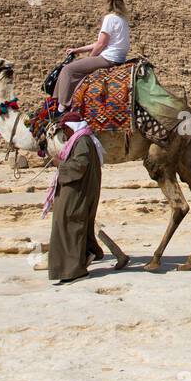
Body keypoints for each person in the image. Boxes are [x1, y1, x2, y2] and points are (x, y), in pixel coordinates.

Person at [43, 113, 120, 284]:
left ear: (72, 127)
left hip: (77, 194)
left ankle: (74, 271)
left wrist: (59, 164)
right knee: (66, 226)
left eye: (65, 129)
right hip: (74, 192)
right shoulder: (79, 140)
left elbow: (79, 166)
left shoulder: (82, 141)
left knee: (69, 227)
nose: (64, 133)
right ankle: (76, 262)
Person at [53, 0, 132, 111]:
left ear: (108, 3)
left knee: (68, 70)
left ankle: (62, 107)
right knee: (79, 69)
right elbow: (101, 43)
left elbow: (101, 43)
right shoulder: (123, 20)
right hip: (119, 58)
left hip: (108, 59)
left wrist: (90, 57)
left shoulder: (110, 18)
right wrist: (77, 50)